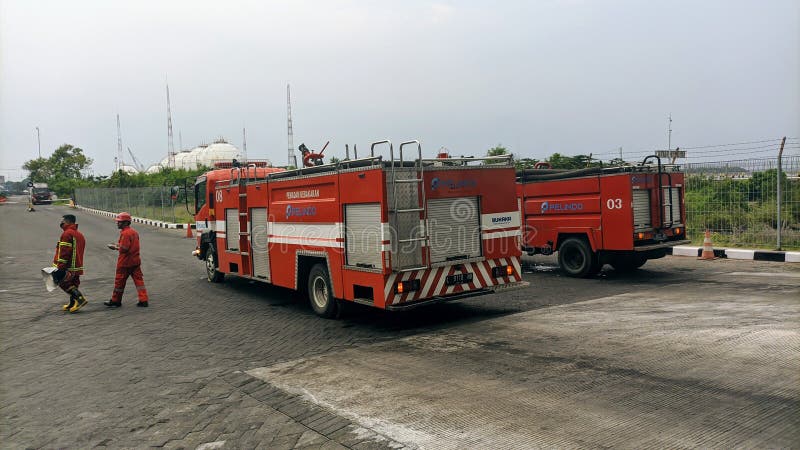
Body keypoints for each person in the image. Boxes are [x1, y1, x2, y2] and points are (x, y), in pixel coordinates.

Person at [104, 212, 149, 308]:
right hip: (135, 261)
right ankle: (143, 300)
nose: (117, 223)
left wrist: (114, 247)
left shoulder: (125, 233)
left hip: (125, 263)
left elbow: (124, 248)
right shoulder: (134, 232)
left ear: (125, 223)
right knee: (139, 281)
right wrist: (118, 245)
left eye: (119, 222)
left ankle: (116, 300)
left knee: (119, 282)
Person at [52, 214, 88, 313]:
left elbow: (64, 252)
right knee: (74, 284)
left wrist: (61, 267)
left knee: (62, 282)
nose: (61, 223)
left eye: (62, 221)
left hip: (69, 266)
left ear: (67, 222)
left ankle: (80, 299)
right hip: (77, 265)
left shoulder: (67, 234)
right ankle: (73, 303)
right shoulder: (79, 234)